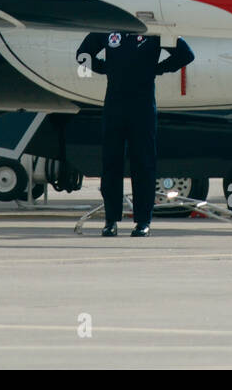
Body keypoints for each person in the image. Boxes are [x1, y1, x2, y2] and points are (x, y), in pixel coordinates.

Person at [76, 32, 194, 237]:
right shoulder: (109, 26)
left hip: (143, 107)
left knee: (143, 164)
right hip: (114, 106)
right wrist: (104, 68)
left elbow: (186, 54)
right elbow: (82, 55)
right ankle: (110, 220)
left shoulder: (153, 29)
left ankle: (143, 221)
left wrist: (158, 69)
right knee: (111, 163)